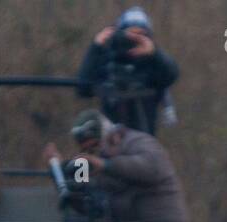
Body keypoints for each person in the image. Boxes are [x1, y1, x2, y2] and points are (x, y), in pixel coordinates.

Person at [44, 109, 189, 222]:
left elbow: (150, 167)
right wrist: (59, 171)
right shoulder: (92, 163)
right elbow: (86, 202)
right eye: (86, 150)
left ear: (111, 137)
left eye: (95, 146)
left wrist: (106, 165)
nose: (92, 153)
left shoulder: (137, 142)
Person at [76, 6, 179, 135]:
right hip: (110, 143)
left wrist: (154, 53)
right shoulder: (108, 63)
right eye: (130, 35)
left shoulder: (152, 67)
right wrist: (95, 48)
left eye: (141, 36)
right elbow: (83, 88)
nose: (133, 41)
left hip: (144, 141)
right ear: (118, 34)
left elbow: (172, 75)